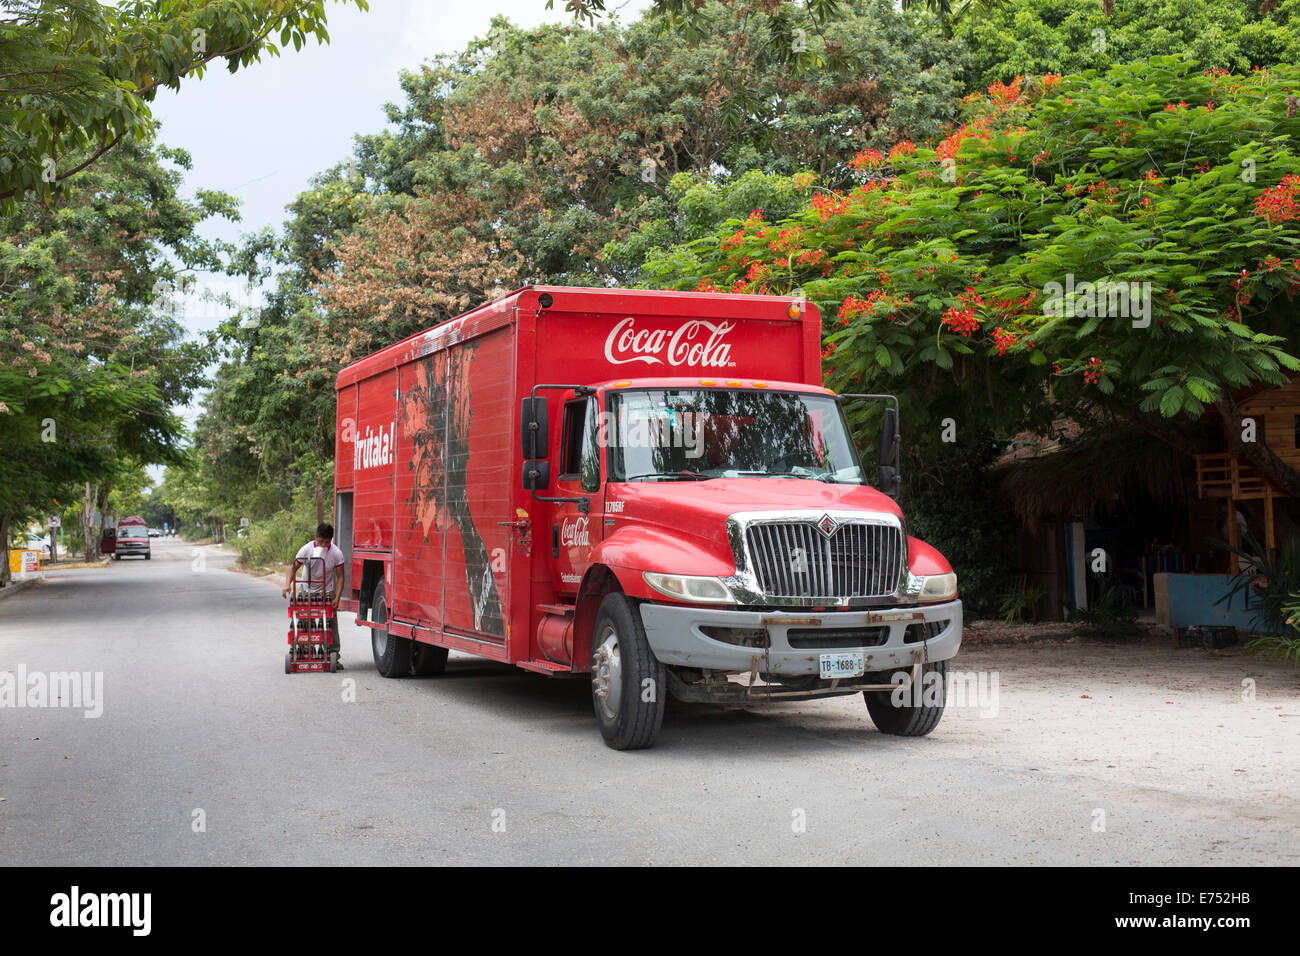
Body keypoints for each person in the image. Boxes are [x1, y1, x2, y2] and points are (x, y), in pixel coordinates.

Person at [282, 523, 346, 669]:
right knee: (304, 623)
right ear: (315, 538)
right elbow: (293, 568)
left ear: (331, 540)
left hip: (327, 592)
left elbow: (341, 577)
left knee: (330, 624)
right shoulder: (306, 550)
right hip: (307, 591)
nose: (323, 545)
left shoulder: (336, 553)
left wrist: (337, 598)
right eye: (320, 541)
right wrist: (287, 585)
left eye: (326, 542)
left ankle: (333, 655)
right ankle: (303, 652)